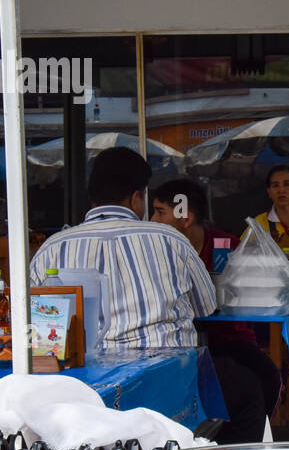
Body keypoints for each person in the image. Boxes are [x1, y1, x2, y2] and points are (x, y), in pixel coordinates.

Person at [30, 147, 215, 350]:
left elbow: (33, 321)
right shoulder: (171, 240)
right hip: (166, 374)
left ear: (93, 196)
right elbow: (205, 306)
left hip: (85, 375)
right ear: (136, 197)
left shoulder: (52, 248)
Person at [151, 178, 282, 442]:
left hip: (228, 340)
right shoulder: (153, 253)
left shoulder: (230, 246)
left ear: (184, 217)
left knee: (266, 374)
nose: (152, 219)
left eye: (159, 211)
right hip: (179, 348)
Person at [244, 164, 289, 264]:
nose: (281, 190)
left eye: (287, 184)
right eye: (275, 185)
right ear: (268, 191)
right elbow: (243, 256)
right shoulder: (259, 224)